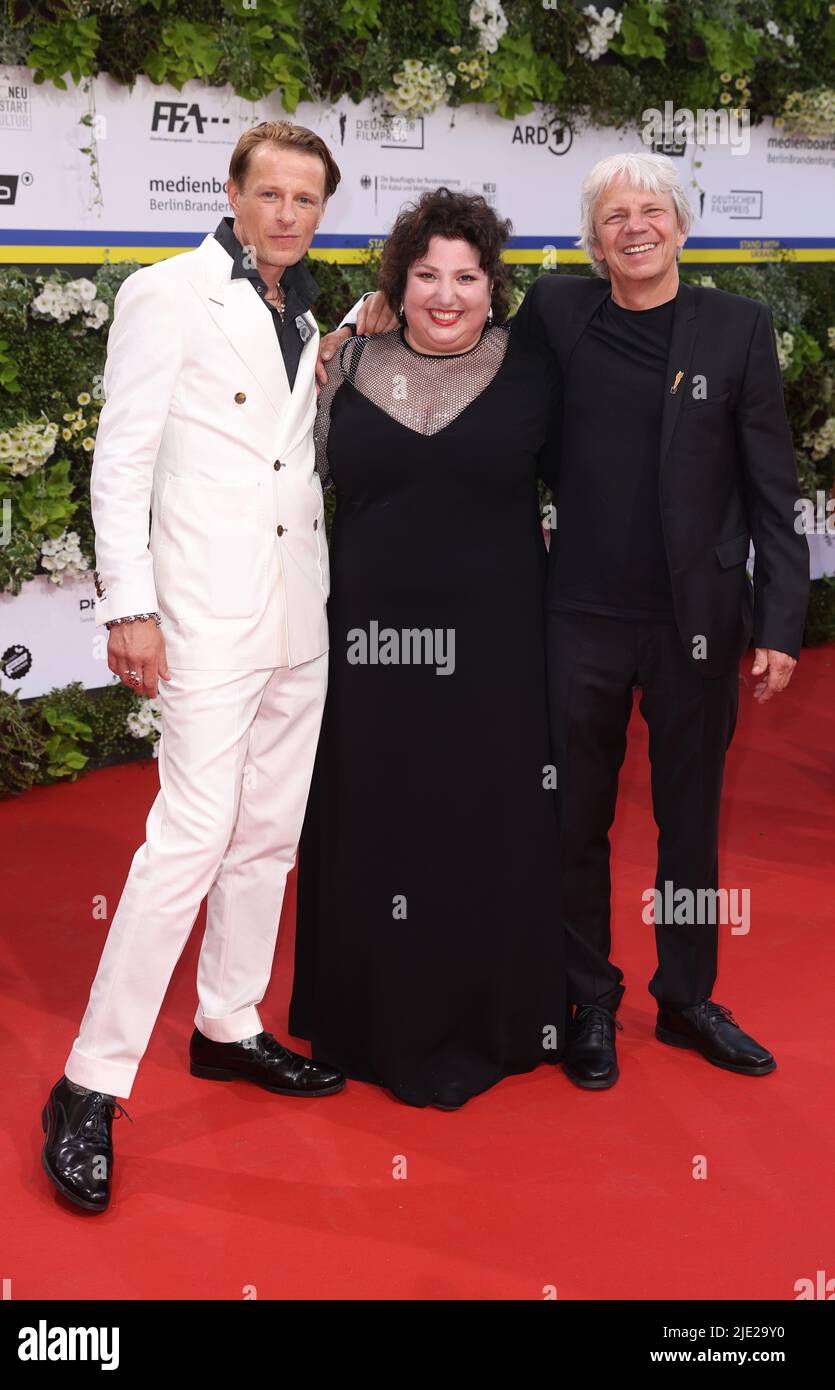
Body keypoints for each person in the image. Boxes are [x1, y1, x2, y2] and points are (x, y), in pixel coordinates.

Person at [331, 152, 810, 1092]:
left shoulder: (738, 330)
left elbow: (773, 490)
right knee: (573, 820)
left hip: (696, 622)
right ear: (592, 242)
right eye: (612, 217)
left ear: (680, 224)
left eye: (650, 210)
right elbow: (442, 308)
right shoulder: (554, 314)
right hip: (573, 614)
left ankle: (685, 998)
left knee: (689, 825)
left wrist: (781, 621)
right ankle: (587, 1000)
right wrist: (362, 316)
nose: (633, 228)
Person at [41, 122, 346, 1215]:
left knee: (267, 833)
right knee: (188, 837)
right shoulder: (166, 292)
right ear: (232, 191)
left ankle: (230, 1019)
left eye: (307, 199)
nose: (287, 215)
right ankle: (89, 1080)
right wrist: (130, 607)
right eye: (270, 194)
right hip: (203, 619)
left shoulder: (311, 308)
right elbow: (119, 459)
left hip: (294, 615)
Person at [288, 187, 566, 1109]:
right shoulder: (343, 361)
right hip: (369, 648)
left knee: (482, 819)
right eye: (425, 276)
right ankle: (370, 1016)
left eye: (466, 277)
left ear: (493, 287)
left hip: (495, 652)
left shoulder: (534, 365)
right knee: (377, 814)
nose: (446, 296)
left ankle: (491, 1014)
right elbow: (297, 481)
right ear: (396, 285)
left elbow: (579, 486)